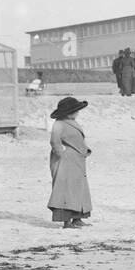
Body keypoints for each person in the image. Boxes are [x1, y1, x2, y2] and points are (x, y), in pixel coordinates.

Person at [48, 96, 93, 228]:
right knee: (65, 190)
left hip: (77, 161)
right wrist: (61, 155)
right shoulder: (59, 124)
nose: (78, 113)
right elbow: (55, 142)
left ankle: (77, 218)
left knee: (79, 188)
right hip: (65, 162)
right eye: (76, 110)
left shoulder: (73, 122)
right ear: (69, 112)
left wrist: (84, 151)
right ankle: (66, 221)